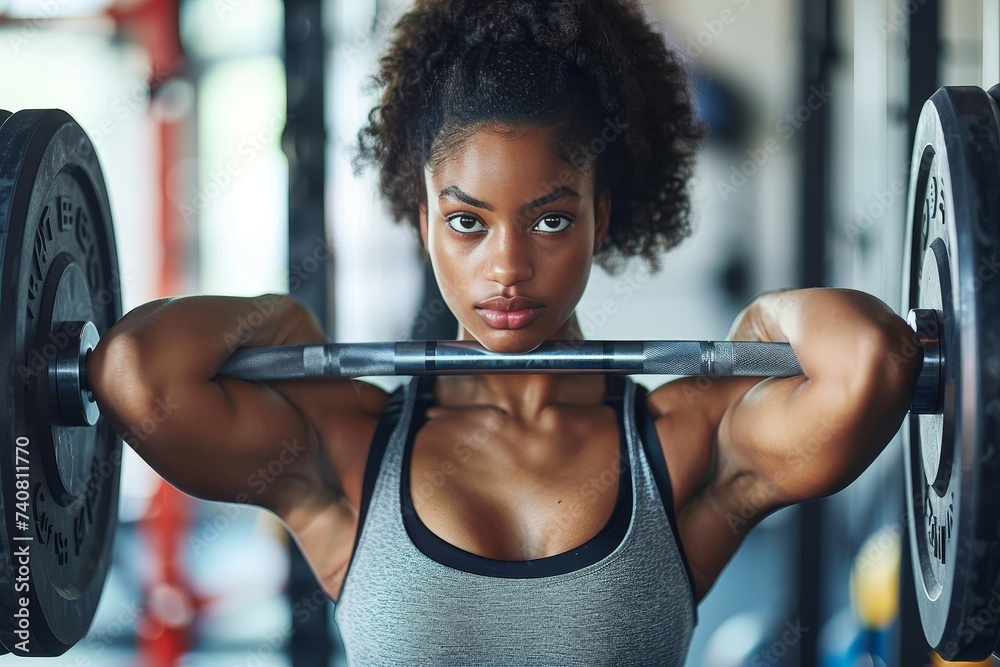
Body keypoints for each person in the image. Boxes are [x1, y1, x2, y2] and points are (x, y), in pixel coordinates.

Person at [87, 0, 922, 664]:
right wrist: (293, 326)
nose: (508, 268)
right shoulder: (340, 447)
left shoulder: (680, 445)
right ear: (422, 220)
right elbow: (136, 373)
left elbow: (871, 361)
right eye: (468, 222)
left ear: (602, 216)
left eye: (551, 221)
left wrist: (755, 333)